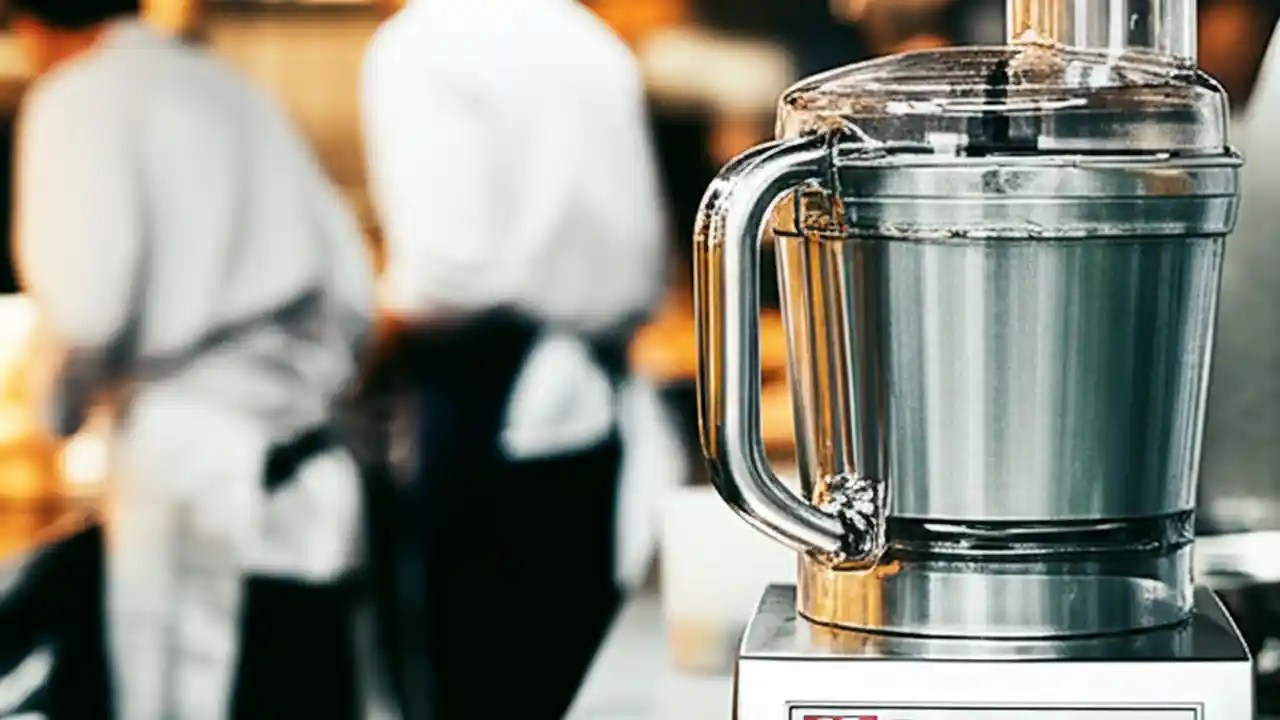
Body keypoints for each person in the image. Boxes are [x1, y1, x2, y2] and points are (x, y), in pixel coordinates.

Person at [10, 0, 375, 717]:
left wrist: (53, 412)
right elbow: (353, 289)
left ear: (30, 28)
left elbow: (87, 309)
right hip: (303, 475)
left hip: (184, 466)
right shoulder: (231, 89)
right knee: (290, 687)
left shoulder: (77, 98)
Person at [361, 0, 669, 716]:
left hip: (484, 401)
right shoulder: (585, 37)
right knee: (570, 674)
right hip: (591, 404)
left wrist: (361, 350)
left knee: (479, 680)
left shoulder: (421, 43)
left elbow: (447, 275)